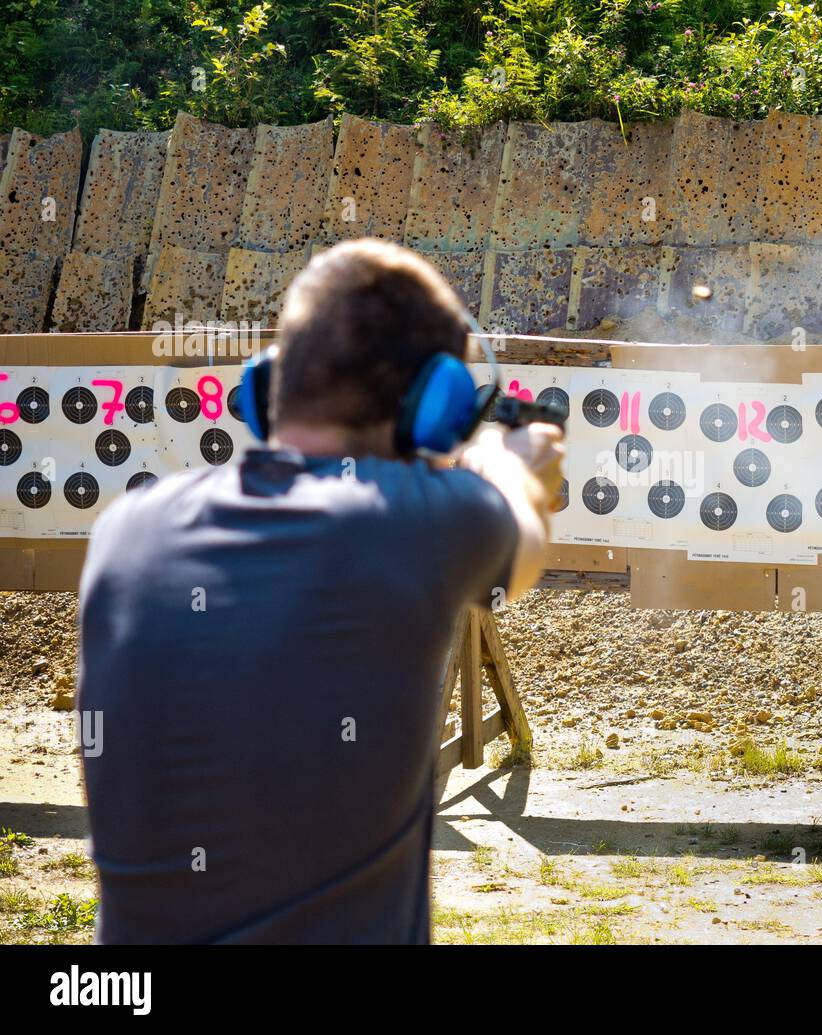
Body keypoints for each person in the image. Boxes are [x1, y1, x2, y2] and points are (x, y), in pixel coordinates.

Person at [77, 239, 563, 944]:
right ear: (436, 403)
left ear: (270, 381)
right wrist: (517, 463)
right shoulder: (421, 523)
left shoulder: (127, 529)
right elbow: (525, 542)